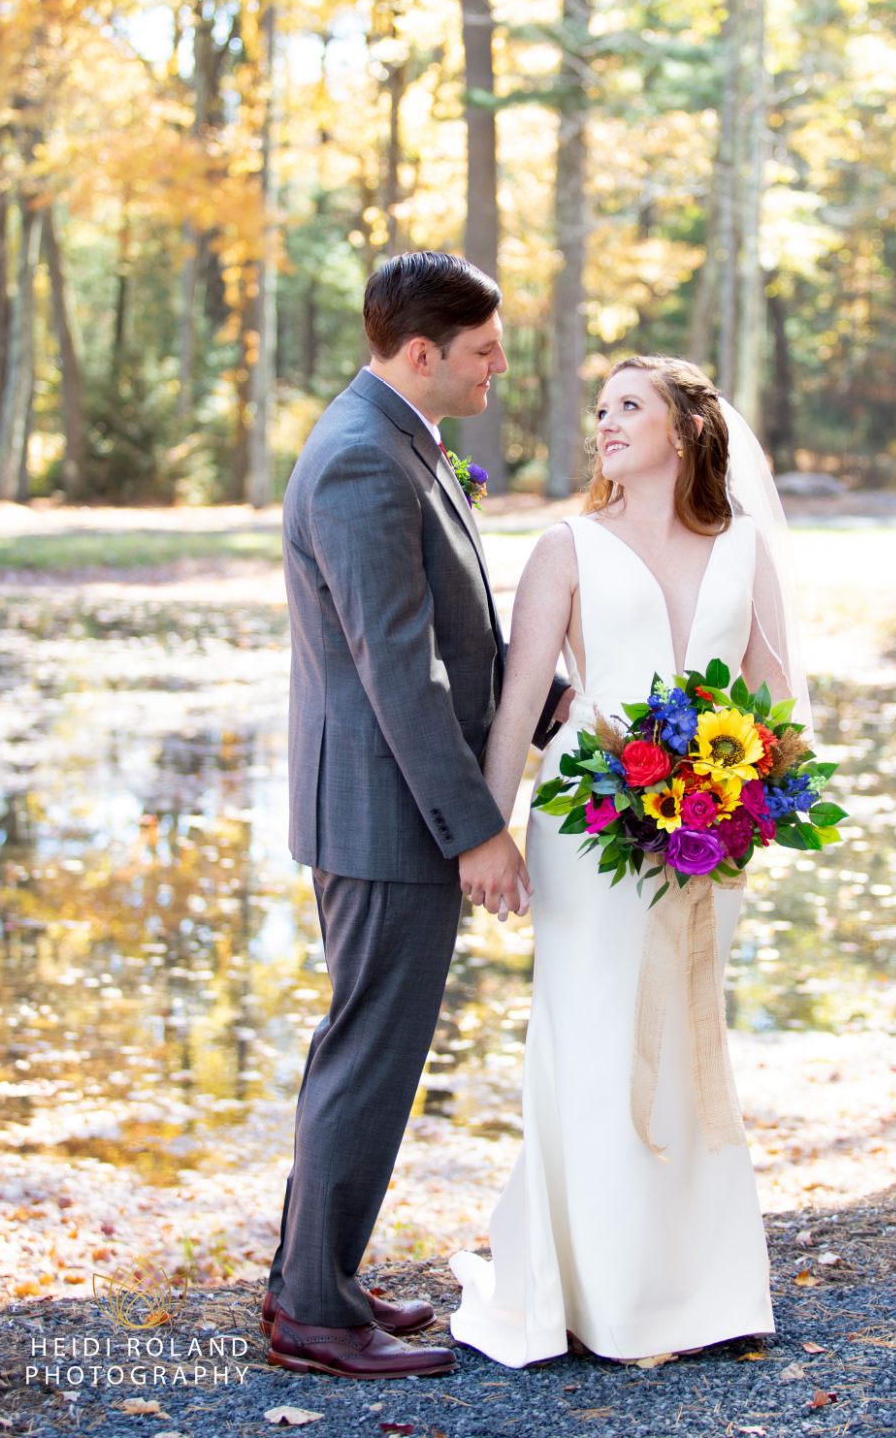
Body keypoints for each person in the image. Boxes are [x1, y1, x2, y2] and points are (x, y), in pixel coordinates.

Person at [450, 354, 810, 1366]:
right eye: (600, 408)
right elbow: (520, 701)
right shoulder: (566, 547)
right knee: (594, 1032)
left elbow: (774, 701)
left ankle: (698, 1289)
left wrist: (749, 797)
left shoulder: (743, 546)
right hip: (587, 822)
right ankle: (595, 1294)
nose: (604, 423)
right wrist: (488, 830)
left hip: (709, 830)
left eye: (629, 406)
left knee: (690, 1030)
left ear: (685, 429)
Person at [264, 251, 567, 1381]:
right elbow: (397, 668)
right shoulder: (359, 456)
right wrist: (476, 828)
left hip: (387, 801)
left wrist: (549, 703)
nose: (500, 367)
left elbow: (450, 630)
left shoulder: (400, 436)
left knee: (365, 1047)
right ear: (422, 351)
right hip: (382, 810)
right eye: (484, 350)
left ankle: (316, 1282)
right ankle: (310, 1315)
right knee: (369, 1053)